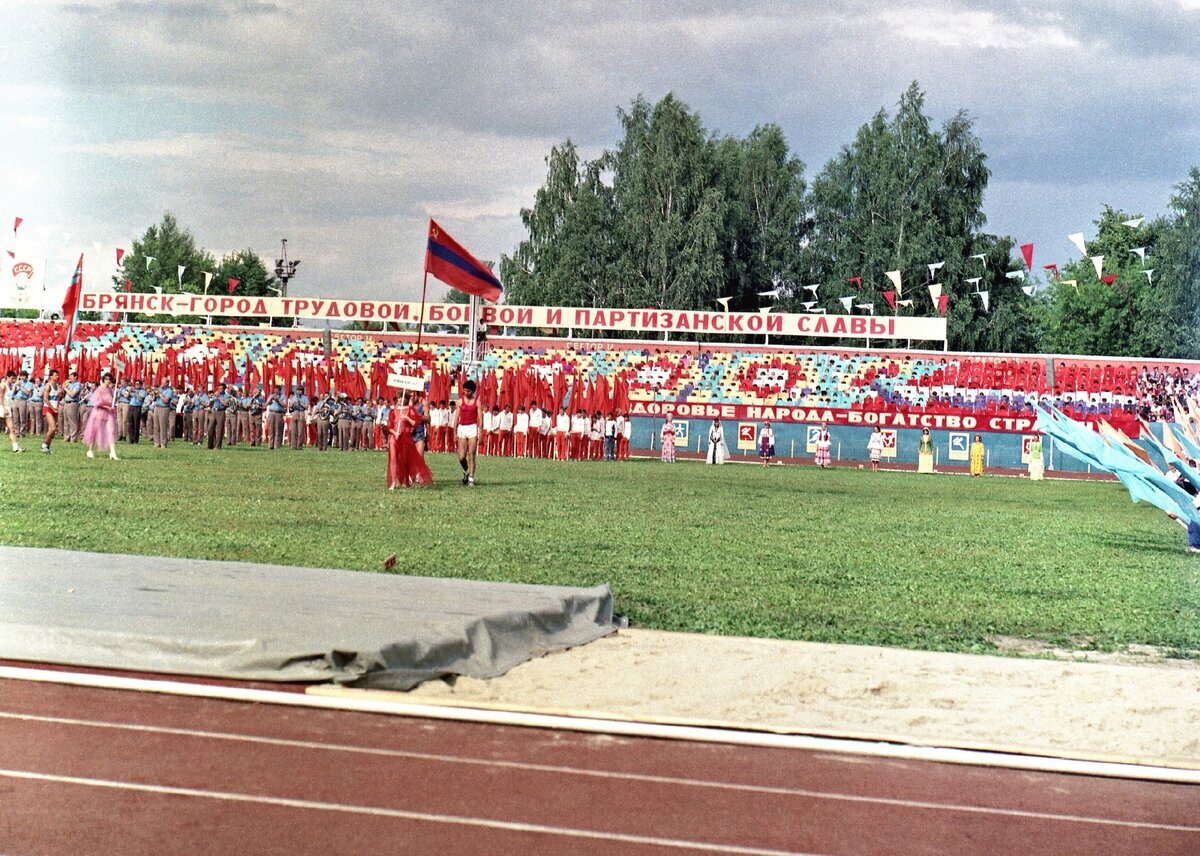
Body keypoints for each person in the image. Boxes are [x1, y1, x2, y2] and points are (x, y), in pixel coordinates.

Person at [387, 393, 434, 489]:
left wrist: (409, 417)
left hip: (413, 435)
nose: (400, 399)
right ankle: (395, 481)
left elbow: (421, 421)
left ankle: (412, 477)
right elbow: (389, 425)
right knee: (396, 458)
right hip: (398, 436)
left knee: (413, 458)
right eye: (399, 398)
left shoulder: (417, 407)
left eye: (402, 397)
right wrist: (395, 433)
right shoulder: (394, 410)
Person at [83, 373, 120, 461]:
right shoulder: (99, 390)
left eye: (109, 379)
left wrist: (114, 401)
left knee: (111, 432)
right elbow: (96, 403)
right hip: (98, 413)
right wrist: (107, 407)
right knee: (94, 431)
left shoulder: (111, 390)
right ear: (103, 380)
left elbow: (113, 401)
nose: (108, 381)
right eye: (106, 379)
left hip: (109, 414)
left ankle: (113, 452)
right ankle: (90, 450)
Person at [455, 379, 480, 486]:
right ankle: (466, 471)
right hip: (462, 428)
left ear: (472, 391)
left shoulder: (477, 402)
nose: (466, 392)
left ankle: (471, 477)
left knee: (472, 454)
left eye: (468, 391)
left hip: (472, 427)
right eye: (465, 390)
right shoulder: (460, 401)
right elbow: (456, 418)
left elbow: (481, 419)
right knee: (461, 457)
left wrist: (481, 433)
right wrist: (454, 432)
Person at [1, 370, 22, 452]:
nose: (13, 380)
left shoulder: (12, 386)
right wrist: (3, 408)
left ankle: (15, 446)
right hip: (2, 407)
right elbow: (0, 397)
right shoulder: (3, 385)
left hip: (8, 408)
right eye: (12, 378)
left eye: (14, 379)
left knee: (12, 428)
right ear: (7, 377)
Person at [40, 369, 61, 454]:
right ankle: (44, 444)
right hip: (48, 408)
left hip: (55, 408)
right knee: (53, 428)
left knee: (52, 431)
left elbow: (57, 398)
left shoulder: (57, 385)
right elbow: (45, 398)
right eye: (55, 375)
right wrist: (52, 408)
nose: (57, 376)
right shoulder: (48, 386)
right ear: (51, 376)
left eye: (57, 375)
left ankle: (47, 448)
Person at [61, 370, 83, 443]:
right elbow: (63, 393)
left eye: (71, 377)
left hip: (73, 403)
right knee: (66, 421)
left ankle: (73, 439)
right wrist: (64, 387)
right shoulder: (69, 384)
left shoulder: (77, 385)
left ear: (75, 377)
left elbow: (72, 394)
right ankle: (66, 437)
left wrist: (65, 388)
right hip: (66, 403)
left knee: (72, 421)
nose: (69, 378)